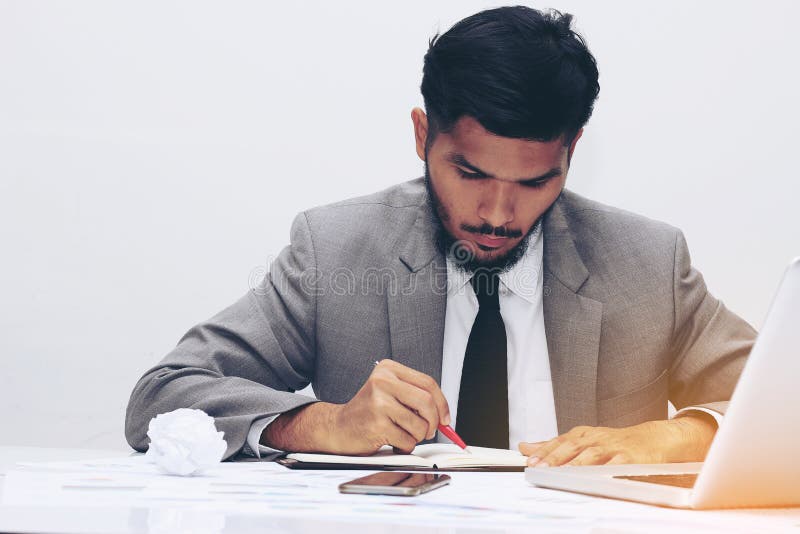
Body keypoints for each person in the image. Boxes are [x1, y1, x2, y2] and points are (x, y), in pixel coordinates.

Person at [125, 6, 755, 467]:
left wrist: (684, 433)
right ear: (424, 135)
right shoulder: (336, 249)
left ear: (572, 153)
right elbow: (162, 397)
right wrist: (324, 423)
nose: (498, 213)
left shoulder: (647, 264)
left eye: (536, 181)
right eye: (470, 172)